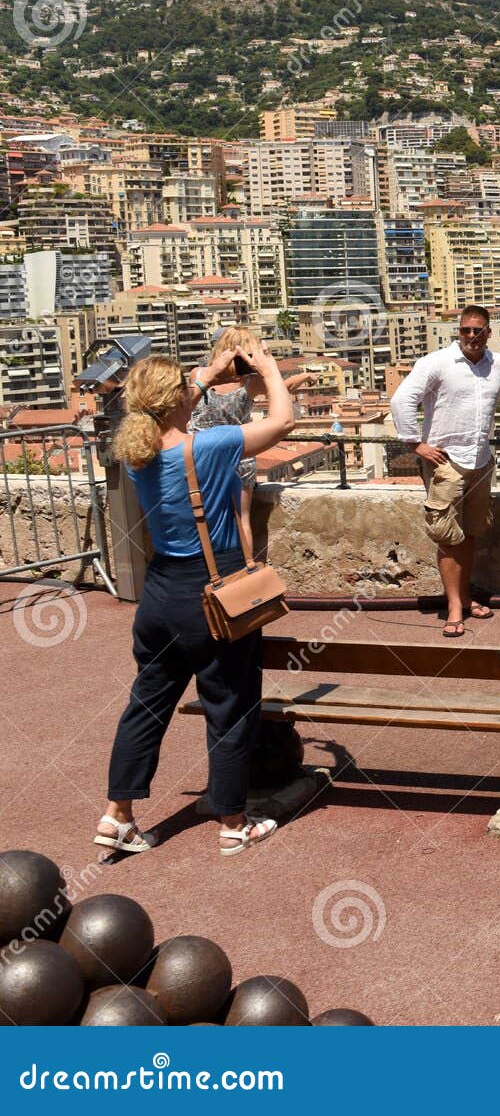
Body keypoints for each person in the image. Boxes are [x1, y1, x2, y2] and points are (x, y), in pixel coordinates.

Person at [98, 346, 295, 857]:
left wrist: (206, 373)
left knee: (146, 705)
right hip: (211, 592)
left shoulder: (136, 449)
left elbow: (166, 404)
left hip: (159, 591)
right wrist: (269, 367)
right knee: (228, 706)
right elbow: (281, 422)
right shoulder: (209, 446)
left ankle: (118, 814)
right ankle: (233, 822)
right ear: (179, 400)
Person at [390, 304, 500, 638]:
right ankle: (453, 608)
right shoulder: (437, 362)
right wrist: (414, 444)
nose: (472, 336)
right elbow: (402, 400)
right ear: (458, 331)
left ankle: (464, 597)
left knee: (471, 533)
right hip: (445, 462)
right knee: (449, 538)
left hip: (480, 461)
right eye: (466, 330)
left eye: (479, 330)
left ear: (488, 332)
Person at [188, 326, 314, 560]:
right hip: (240, 454)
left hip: (201, 455)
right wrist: (300, 376)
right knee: (242, 518)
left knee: (203, 516)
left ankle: (210, 568)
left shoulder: (199, 375)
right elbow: (281, 391)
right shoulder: (251, 382)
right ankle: (246, 568)